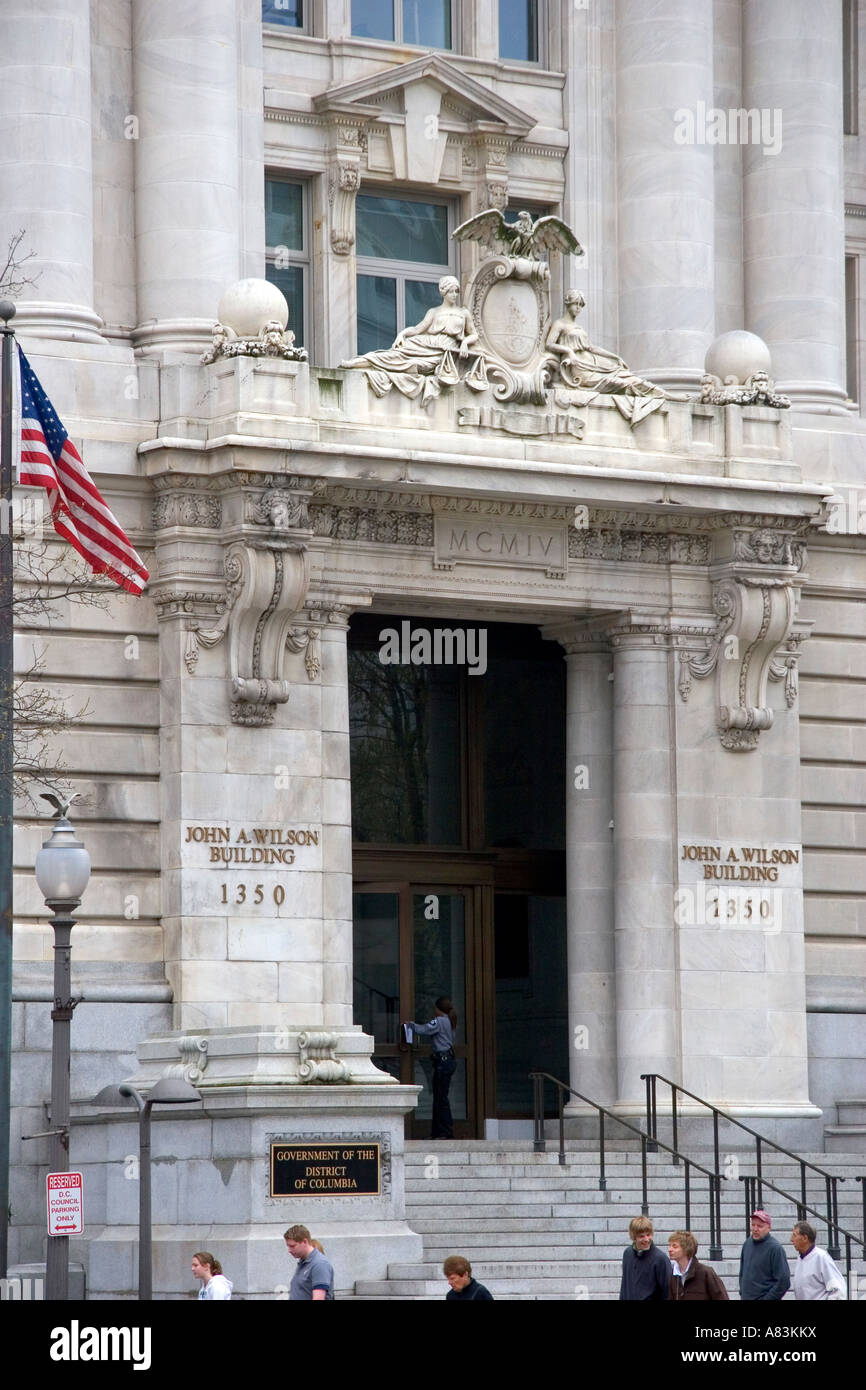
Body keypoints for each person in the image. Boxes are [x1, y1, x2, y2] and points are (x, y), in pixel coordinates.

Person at [342, 276, 487, 406]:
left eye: (456, 291)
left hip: (443, 352)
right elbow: (418, 329)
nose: (454, 295)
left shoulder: (464, 313)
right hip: (427, 343)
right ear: (443, 292)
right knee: (396, 354)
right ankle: (359, 362)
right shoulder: (434, 312)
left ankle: (370, 365)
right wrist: (402, 334)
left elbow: (474, 334)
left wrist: (465, 343)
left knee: (410, 363)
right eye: (451, 291)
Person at [405, 996, 457, 1139]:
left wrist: (411, 1026)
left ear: (438, 1009)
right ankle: (438, 1132)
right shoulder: (450, 1021)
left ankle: (444, 1132)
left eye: (435, 1008)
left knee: (440, 1099)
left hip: (442, 1062)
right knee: (441, 1098)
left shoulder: (440, 1021)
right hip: (448, 1061)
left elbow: (425, 1030)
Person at [738, 1209, 791, 1300]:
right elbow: (742, 1272)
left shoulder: (775, 1249)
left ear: (769, 1228)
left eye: (760, 1226)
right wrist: (742, 1292)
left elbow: (783, 1281)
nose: (755, 1229)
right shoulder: (747, 1244)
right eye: (753, 1225)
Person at [790, 1222, 847, 1300]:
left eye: (794, 1235)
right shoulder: (800, 1259)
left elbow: (838, 1290)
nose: (791, 1240)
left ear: (805, 1238)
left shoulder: (822, 1258)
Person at [619, 1216, 670, 1300]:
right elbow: (624, 1286)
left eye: (648, 1235)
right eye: (641, 1236)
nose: (646, 1239)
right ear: (634, 1237)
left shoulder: (660, 1259)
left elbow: (668, 1292)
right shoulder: (627, 1254)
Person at [668, 1231, 729, 1301]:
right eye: (669, 1246)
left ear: (686, 1249)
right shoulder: (673, 1275)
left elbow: (721, 1296)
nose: (670, 1250)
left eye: (674, 1246)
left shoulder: (706, 1273)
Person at [284, 1224, 335, 1300]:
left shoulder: (319, 1264)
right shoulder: (304, 1262)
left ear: (305, 1241)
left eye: (292, 1246)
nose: (289, 1250)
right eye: (288, 1246)